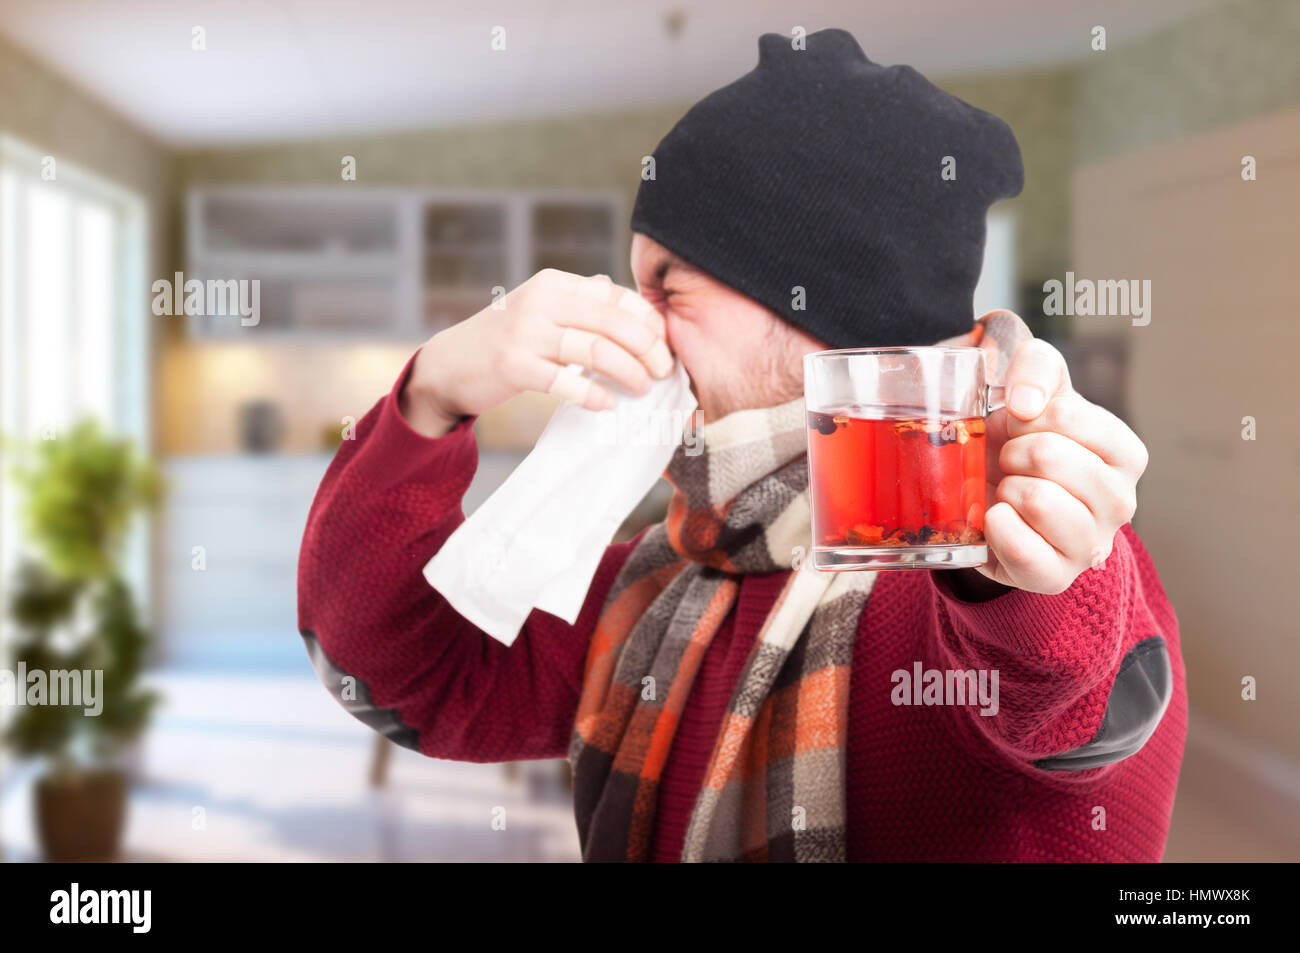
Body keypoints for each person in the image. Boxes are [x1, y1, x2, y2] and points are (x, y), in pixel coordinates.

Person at [297, 28, 1185, 862]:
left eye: (667, 286)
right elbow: (396, 675)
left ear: (819, 305)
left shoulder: (996, 568)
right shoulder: (660, 584)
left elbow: (1071, 706)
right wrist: (431, 394)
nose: (632, 326)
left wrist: (1033, 568)